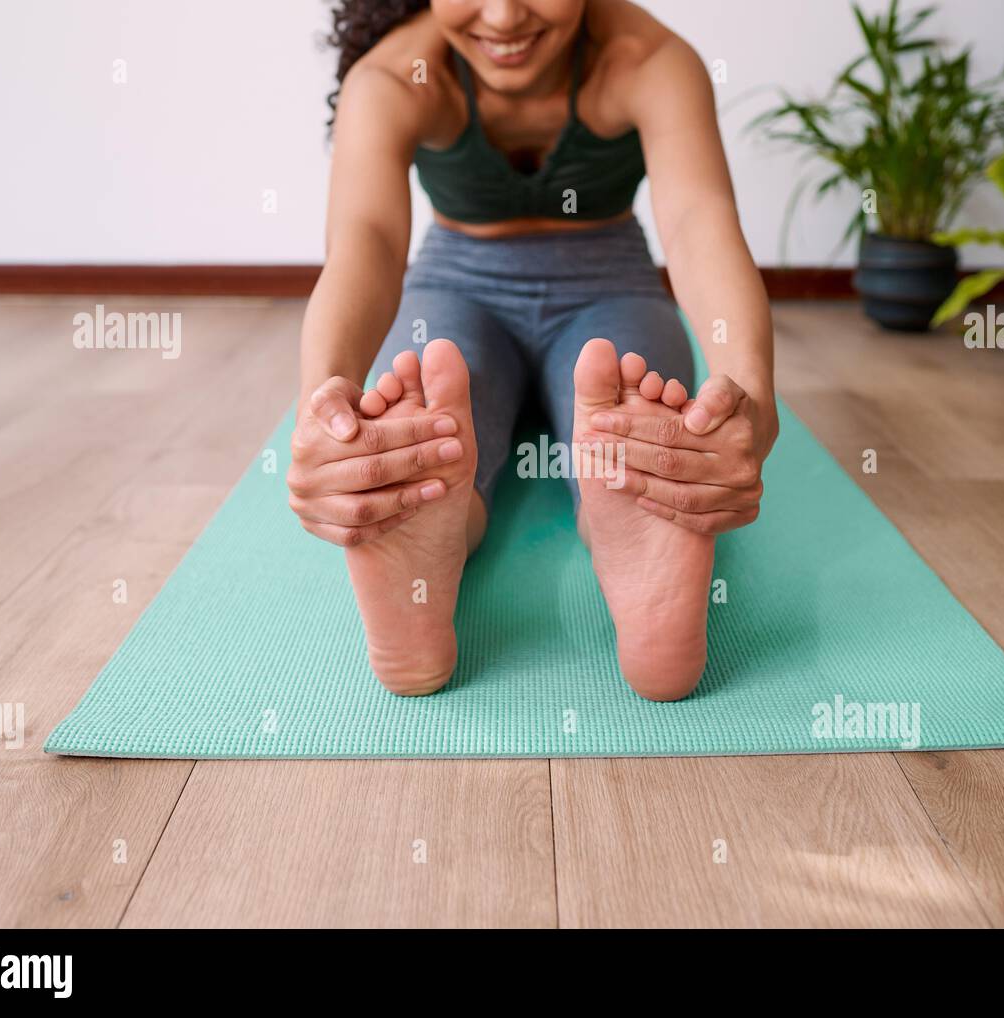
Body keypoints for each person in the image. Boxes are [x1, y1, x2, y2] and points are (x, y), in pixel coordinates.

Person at [287, 0, 776, 701]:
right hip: (456, 286)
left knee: (641, 420)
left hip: (610, 286)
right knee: (423, 422)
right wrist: (322, 398)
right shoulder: (392, 77)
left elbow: (699, 220)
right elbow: (366, 240)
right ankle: (431, 529)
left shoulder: (651, 63)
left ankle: (642, 518)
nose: (505, 16)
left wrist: (750, 385)